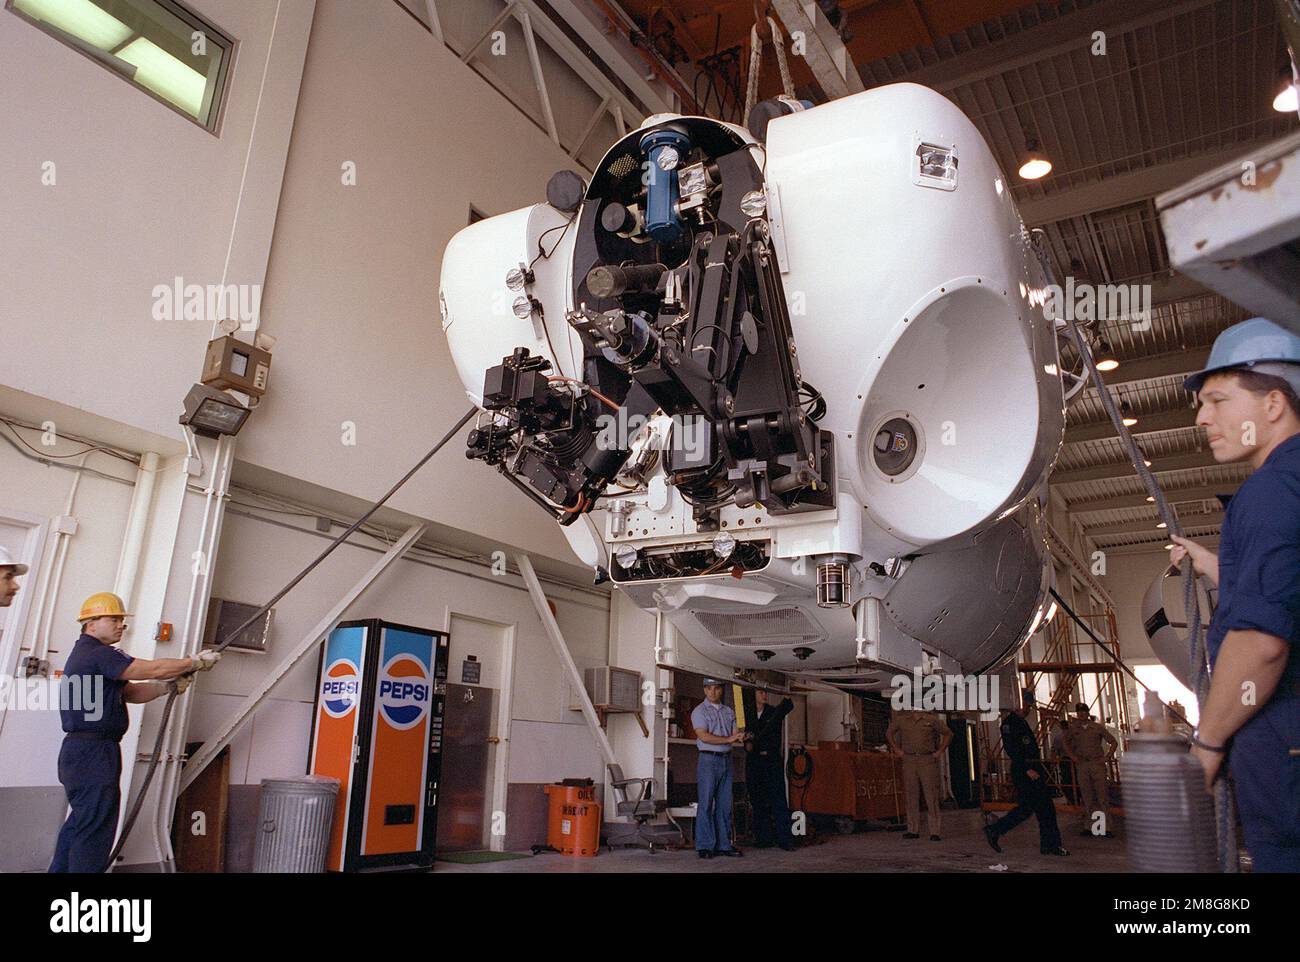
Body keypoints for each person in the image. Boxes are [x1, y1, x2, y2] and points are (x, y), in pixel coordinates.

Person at [1169, 316, 1300, 872]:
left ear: (1273, 404)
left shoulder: (1270, 491)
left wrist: (1209, 744)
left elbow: (1262, 645)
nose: (1202, 417)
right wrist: (1225, 569)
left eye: (1218, 400)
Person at [49, 592, 220, 873]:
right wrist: (193, 662)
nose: (121, 625)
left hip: (81, 753)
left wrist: (166, 687)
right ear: (91, 623)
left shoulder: (86, 657)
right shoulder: (99, 654)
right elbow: (149, 668)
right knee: (94, 832)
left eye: (121, 620)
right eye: (114, 618)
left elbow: (130, 692)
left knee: (82, 824)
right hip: (94, 753)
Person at [984, 703, 1068, 857]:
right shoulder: (1009, 724)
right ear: (1017, 708)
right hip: (1025, 770)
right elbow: (1012, 748)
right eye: (1025, 707)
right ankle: (1051, 845)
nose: (1028, 710)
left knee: (1032, 808)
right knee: (1042, 808)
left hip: (1032, 767)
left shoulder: (1021, 721)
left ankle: (1048, 845)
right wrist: (1026, 768)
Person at [690, 677, 745, 859]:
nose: (712, 692)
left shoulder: (729, 711)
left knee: (724, 804)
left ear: (722, 690)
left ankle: (724, 844)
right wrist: (728, 739)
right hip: (708, 759)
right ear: (704, 690)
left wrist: (740, 736)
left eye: (716, 688)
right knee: (705, 803)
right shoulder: (699, 711)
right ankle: (705, 846)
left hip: (726, 760)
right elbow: (704, 736)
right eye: (709, 688)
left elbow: (735, 732)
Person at [886, 707, 951, 840]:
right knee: (911, 794)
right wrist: (896, 749)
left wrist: (940, 751)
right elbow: (889, 733)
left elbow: (948, 734)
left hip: (927, 759)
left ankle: (934, 831)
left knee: (930, 795)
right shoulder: (902, 720)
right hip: (909, 759)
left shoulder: (932, 720)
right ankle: (913, 830)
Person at [746, 687, 795, 850]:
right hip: (754, 762)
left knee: (778, 800)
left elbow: (787, 707)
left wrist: (787, 694)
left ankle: (785, 840)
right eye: (760, 692)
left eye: (765, 692)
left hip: (771, 761)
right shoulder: (748, 715)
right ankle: (763, 838)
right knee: (758, 800)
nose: (764, 695)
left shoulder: (774, 713)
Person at [1062, 702, 1118, 836]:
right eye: (1079, 712)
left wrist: (1107, 757)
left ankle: (1106, 827)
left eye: (1084, 712)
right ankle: (1089, 826)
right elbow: (1065, 742)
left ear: (1088, 713)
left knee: (1102, 795)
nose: (1081, 714)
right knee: (1087, 796)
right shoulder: (1074, 729)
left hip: (1096, 764)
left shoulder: (1097, 727)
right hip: (1082, 764)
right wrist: (1072, 756)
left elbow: (1113, 742)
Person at [1050, 717, 1075, 803]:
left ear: (1061, 726)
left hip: (1064, 760)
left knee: (1066, 780)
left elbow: (1054, 750)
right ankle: (1078, 798)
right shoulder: (1074, 735)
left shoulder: (1058, 737)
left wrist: (1053, 762)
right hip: (1076, 760)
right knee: (1076, 779)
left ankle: (1070, 799)